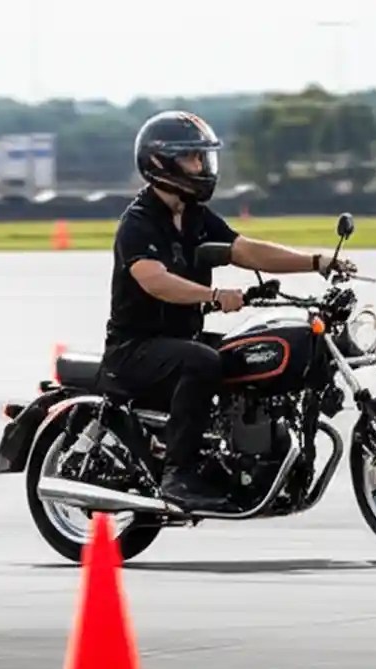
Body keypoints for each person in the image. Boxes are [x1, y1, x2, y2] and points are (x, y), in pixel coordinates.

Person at [101, 110, 356, 513]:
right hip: (135, 349)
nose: (202, 167)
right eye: (193, 158)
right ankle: (178, 476)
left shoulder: (194, 217)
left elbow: (246, 250)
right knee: (201, 362)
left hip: (179, 340)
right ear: (161, 161)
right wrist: (215, 293)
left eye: (203, 158)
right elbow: (154, 281)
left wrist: (316, 261)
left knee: (247, 353)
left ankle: (241, 457)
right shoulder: (138, 222)